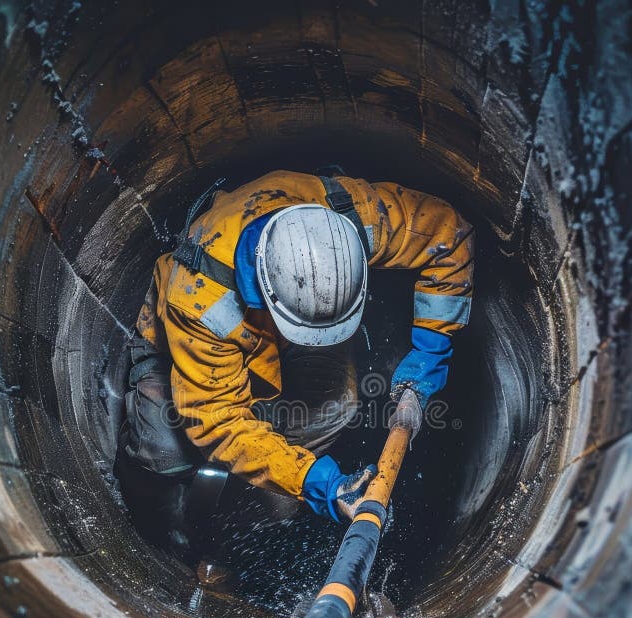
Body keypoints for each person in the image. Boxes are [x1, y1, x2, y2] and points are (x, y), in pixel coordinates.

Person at [118, 169, 474, 565]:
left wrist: (430, 351)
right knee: (164, 455)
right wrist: (321, 483)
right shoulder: (201, 300)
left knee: (334, 408)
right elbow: (217, 420)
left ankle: (252, 514)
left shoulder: (355, 218)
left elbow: (447, 234)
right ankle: (172, 539)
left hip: (294, 326)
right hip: (187, 347)